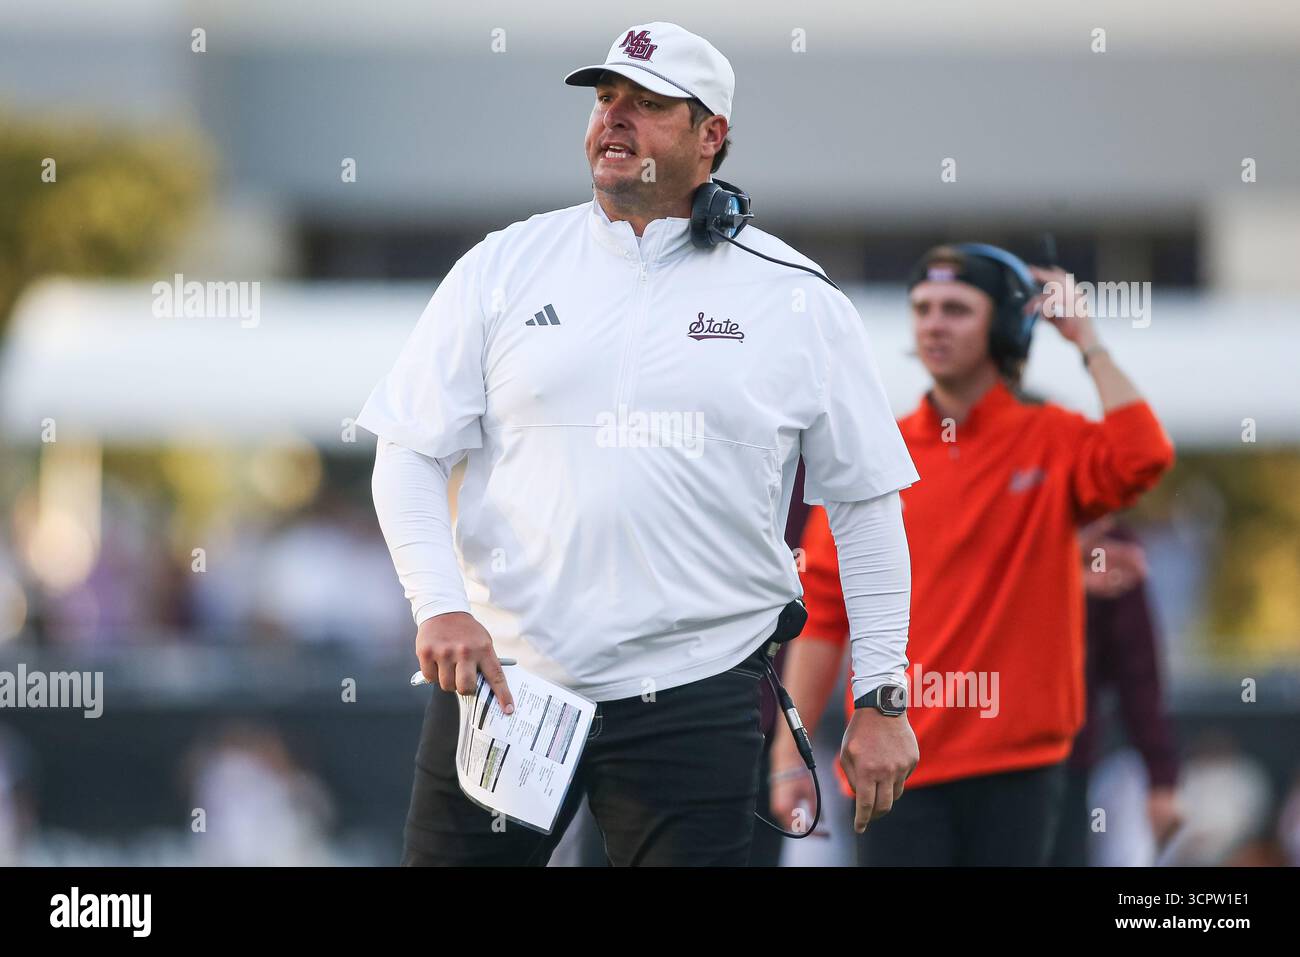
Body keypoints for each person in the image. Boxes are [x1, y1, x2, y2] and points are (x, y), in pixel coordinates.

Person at [356, 22, 920, 866]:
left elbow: (867, 503)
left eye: (648, 104)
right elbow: (407, 448)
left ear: (711, 135)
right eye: (604, 98)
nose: (613, 118)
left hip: (697, 687)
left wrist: (880, 695)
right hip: (508, 681)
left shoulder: (796, 296)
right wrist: (438, 603)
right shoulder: (503, 265)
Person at [771, 243, 1175, 865]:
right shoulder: (877, 449)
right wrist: (788, 755)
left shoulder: (1053, 439)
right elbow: (824, 612)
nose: (934, 324)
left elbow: (1144, 456)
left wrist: (1086, 340)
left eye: (956, 309)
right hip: (894, 763)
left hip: (1023, 769)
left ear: (1006, 325)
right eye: (923, 308)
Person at [1049, 517, 1182, 865]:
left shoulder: (1105, 545)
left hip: (1060, 758)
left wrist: (1160, 776)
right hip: (970, 751)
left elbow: (1137, 673)